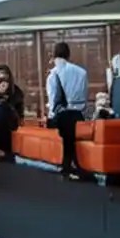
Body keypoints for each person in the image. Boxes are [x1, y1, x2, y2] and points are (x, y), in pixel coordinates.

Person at [47, 42, 89, 180]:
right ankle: (74, 166)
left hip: (63, 116)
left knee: (64, 132)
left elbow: (53, 100)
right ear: (68, 55)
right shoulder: (82, 73)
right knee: (71, 136)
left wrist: (51, 116)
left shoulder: (53, 74)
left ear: (54, 55)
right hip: (78, 115)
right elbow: (85, 96)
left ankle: (67, 166)